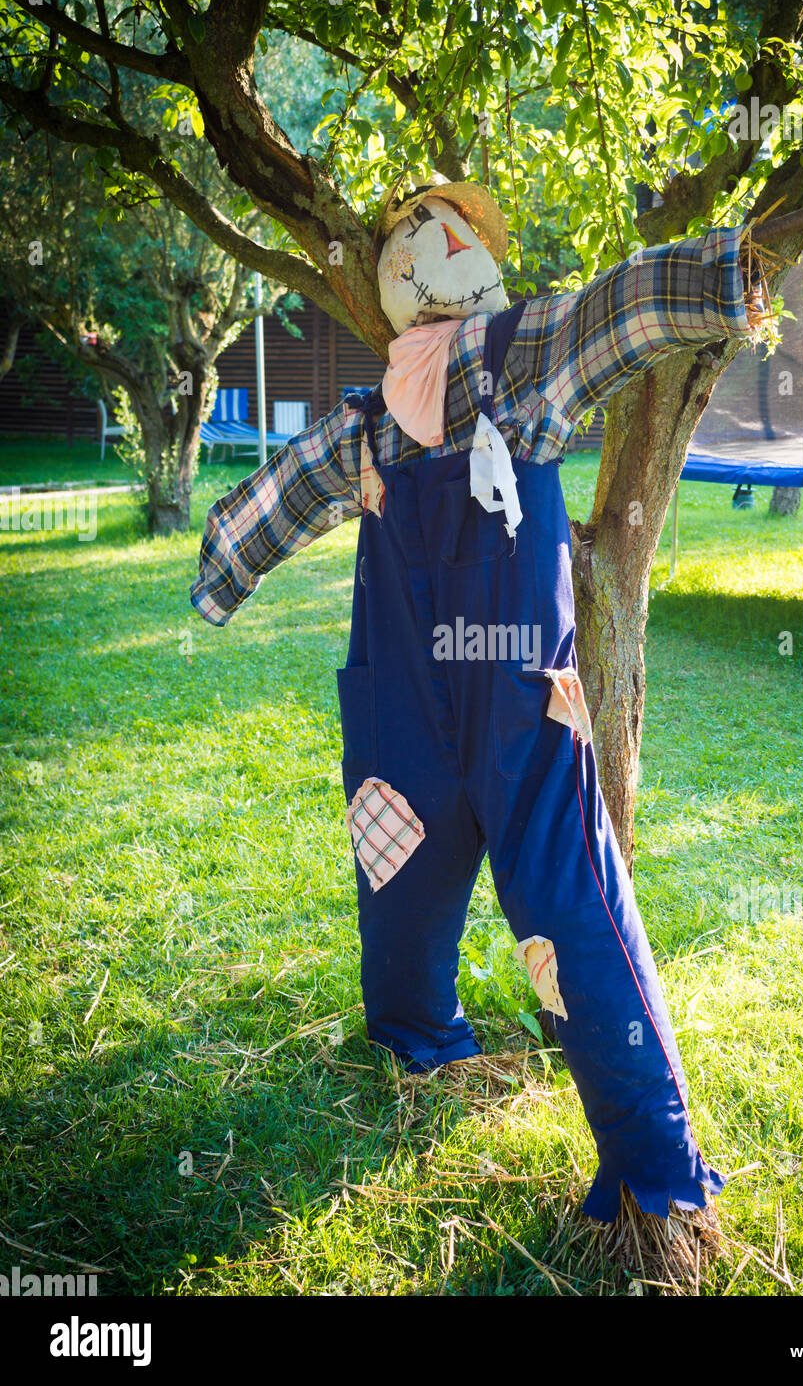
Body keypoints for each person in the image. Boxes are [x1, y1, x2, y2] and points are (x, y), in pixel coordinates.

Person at [190, 174, 764, 1223]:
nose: (447, 254)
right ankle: (425, 1045)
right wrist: (222, 568)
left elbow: (620, 310)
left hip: (490, 720)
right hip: (438, 719)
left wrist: (723, 275)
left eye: (453, 238)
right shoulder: (407, 406)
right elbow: (285, 493)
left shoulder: (478, 383)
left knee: (560, 914)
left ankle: (651, 1180)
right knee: (444, 902)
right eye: (433, 242)